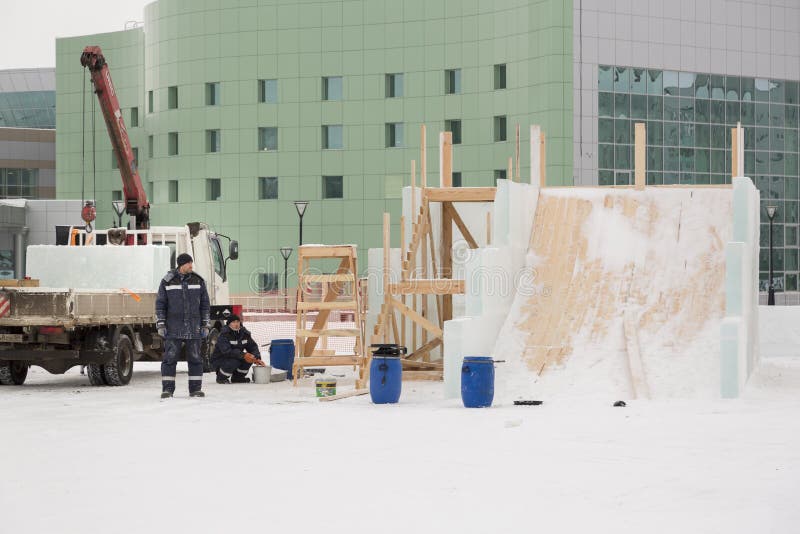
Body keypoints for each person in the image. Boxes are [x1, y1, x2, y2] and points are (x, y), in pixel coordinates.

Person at [155, 253, 210, 399]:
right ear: (181, 265)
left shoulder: (198, 280)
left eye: (191, 263)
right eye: (188, 263)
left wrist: (205, 324)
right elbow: (160, 304)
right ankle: (167, 390)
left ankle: (195, 390)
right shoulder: (168, 281)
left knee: (196, 358)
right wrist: (161, 323)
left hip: (194, 328)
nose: (191, 266)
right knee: (170, 359)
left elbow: (205, 305)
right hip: (173, 328)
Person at [211, 313, 265, 384]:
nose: (236, 324)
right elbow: (227, 351)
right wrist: (244, 355)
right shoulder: (224, 335)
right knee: (235, 361)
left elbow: (253, 347)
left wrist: (256, 358)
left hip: (237, 356)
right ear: (229, 324)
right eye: (233, 322)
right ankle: (221, 378)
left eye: (238, 322)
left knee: (248, 359)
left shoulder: (244, 334)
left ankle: (238, 378)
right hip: (220, 359)